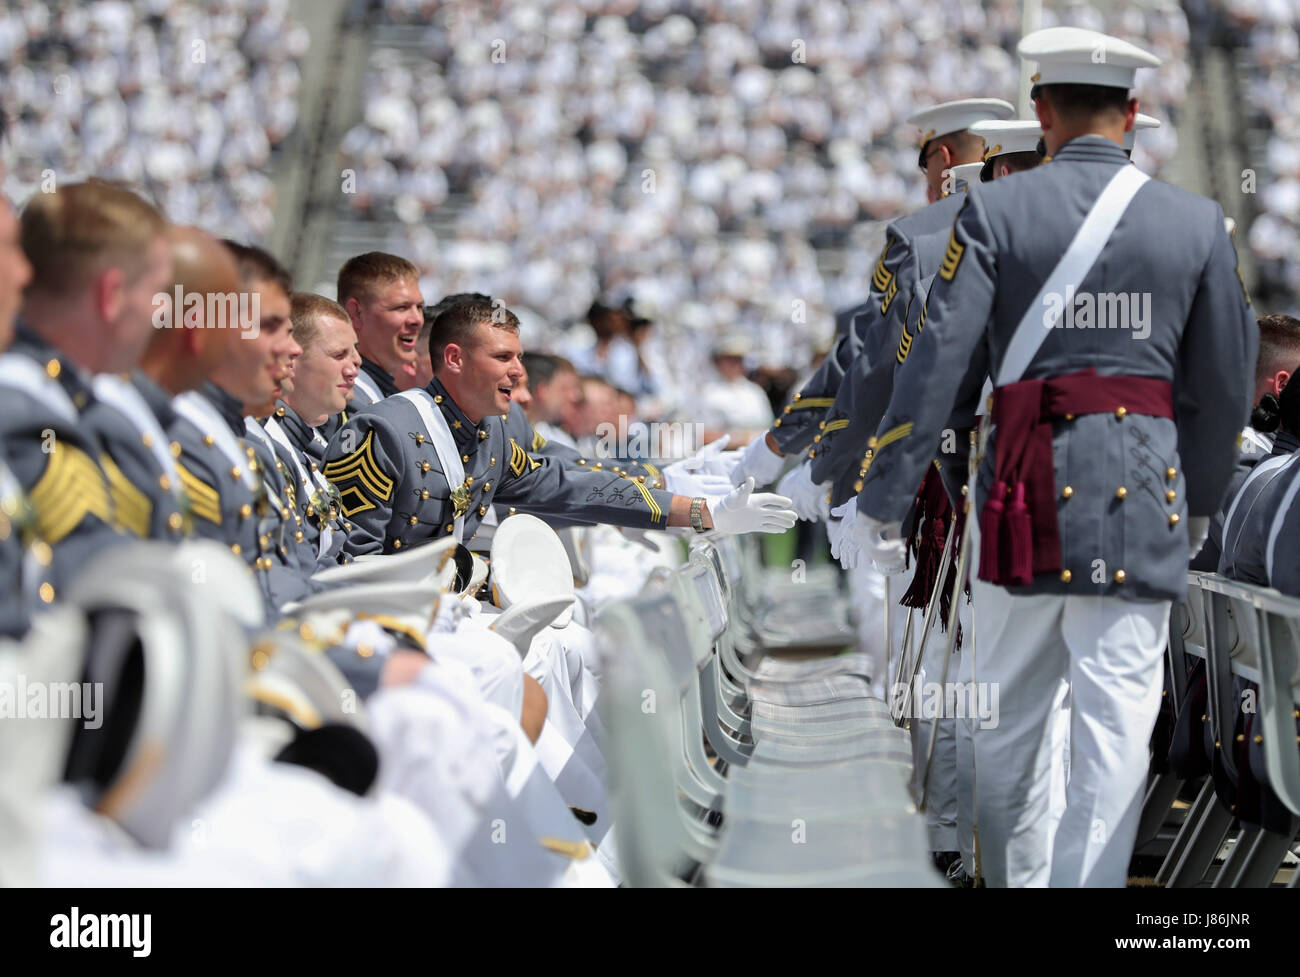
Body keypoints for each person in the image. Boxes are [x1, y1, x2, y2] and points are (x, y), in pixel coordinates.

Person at [843, 27, 1256, 887]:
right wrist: (1205, 504)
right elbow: (1223, 384)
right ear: (1134, 113)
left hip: (1025, 481)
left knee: (1007, 723)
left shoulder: (991, 210)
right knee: (1112, 723)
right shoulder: (1194, 221)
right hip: (1144, 491)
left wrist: (901, 494)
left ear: (1040, 110)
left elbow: (937, 373)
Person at [322, 296, 795, 558]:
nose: (515, 374)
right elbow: (357, 561)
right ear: (454, 359)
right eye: (502, 358)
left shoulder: (495, 435)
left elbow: (572, 485)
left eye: (519, 359)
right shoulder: (383, 432)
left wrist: (699, 510)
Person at [730, 98, 1016, 492]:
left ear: (945, 158)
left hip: (943, 476)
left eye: (926, 163)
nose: (925, 180)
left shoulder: (922, 237)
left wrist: (800, 455)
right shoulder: (1041, 225)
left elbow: (869, 357)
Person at [1, 180, 170, 602]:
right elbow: (90, 581)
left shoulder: (71, 398)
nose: (164, 312)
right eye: (157, 293)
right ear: (112, 295)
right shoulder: (29, 410)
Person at [336, 251, 425, 404]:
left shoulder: (379, 393)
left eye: (420, 307)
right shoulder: (339, 398)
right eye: (401, 307)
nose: (417, 319)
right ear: (356, 313)